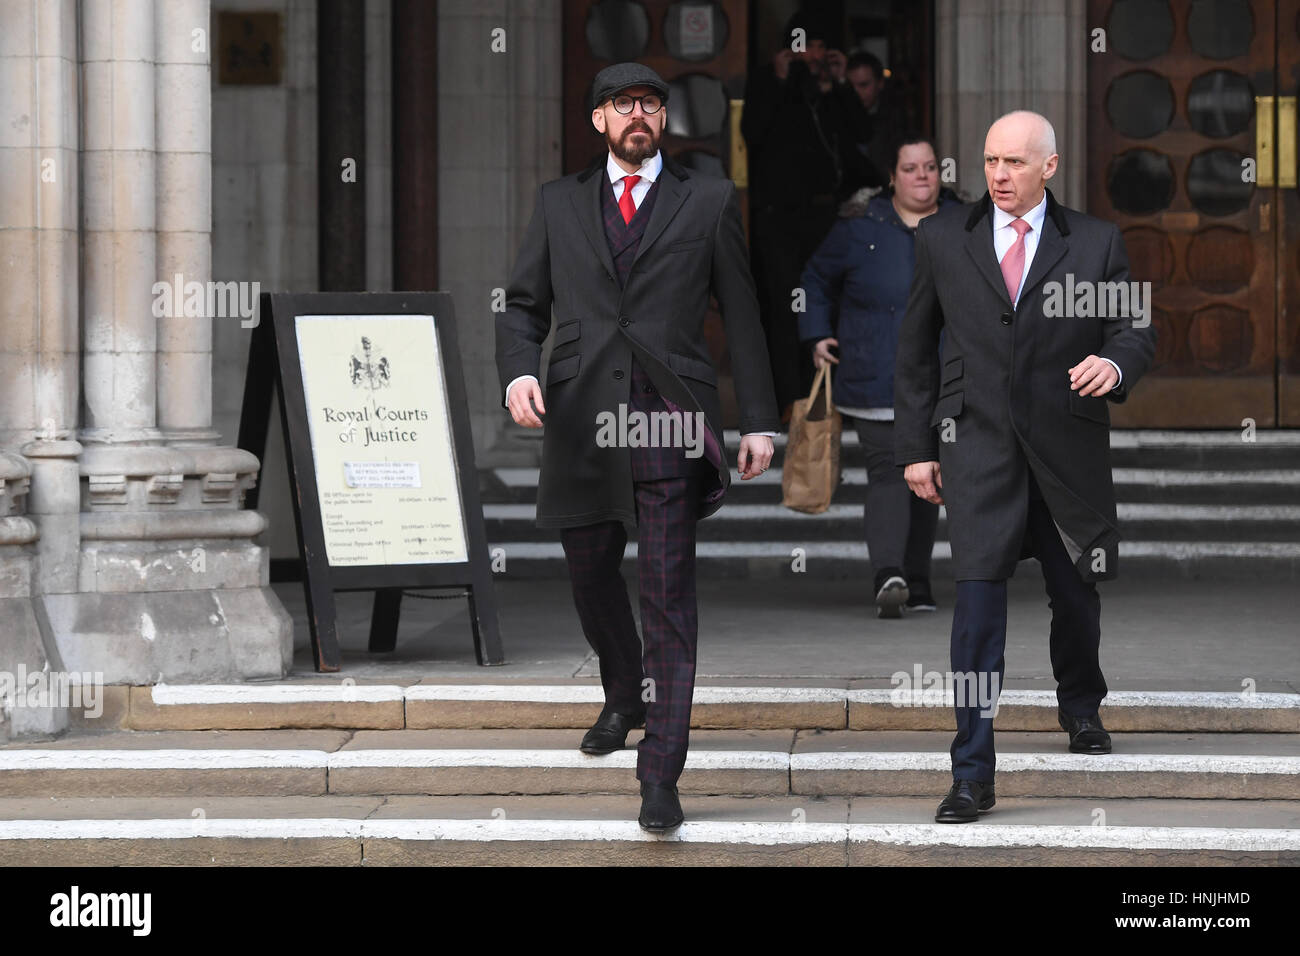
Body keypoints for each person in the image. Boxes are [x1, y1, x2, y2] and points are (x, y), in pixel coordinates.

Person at [496, 63, 779, 832]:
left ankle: (662, 774)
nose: (639, 115)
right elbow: (524, 304)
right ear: (599, 121)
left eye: (651, 104)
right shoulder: (558, 203)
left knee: (668, 593)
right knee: (589, 570)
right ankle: (624, 688)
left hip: (669, 415)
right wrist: (519, 371)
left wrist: (757, 418)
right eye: (624, 105)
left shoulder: (710, 199)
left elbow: (744, 315)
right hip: (582, 413)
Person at [893, 110, 1157, 823]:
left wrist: (1115, 361)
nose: (999, 176)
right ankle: (972, 771)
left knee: (1077, 598)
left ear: (1049, 165)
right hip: (977, 451)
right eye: (989, 162)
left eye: (1014, 162)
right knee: (976, 615)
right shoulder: (944, 237)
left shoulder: (1097, 242)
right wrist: (915, 448)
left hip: (1068, 455)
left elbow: (1134, 327)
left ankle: (1081, 705)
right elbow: (915, 350)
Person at [799, 135, 957, 619]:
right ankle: (889, 574)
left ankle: (920, 581)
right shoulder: (859, 227)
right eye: (911, 168)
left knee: (929, 477)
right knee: (890, 471)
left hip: (942, 377)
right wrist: (817, 333)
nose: (923, 176)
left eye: (930, 167)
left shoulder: (960, 225)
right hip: (874, 374)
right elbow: (815, 280)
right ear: (893, 176)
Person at [741, 12, 881, 417]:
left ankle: (832, 396)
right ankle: (791, 398)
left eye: (821, 47)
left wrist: (838, 83)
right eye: (807, 46)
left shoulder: (830, 91)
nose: (814, 54)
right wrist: (782, 78)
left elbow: (859, 134)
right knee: (787, 306)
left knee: (830, 302)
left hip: (825, 217)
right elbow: (753, 133)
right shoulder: (769, 82)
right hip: (779, 219)